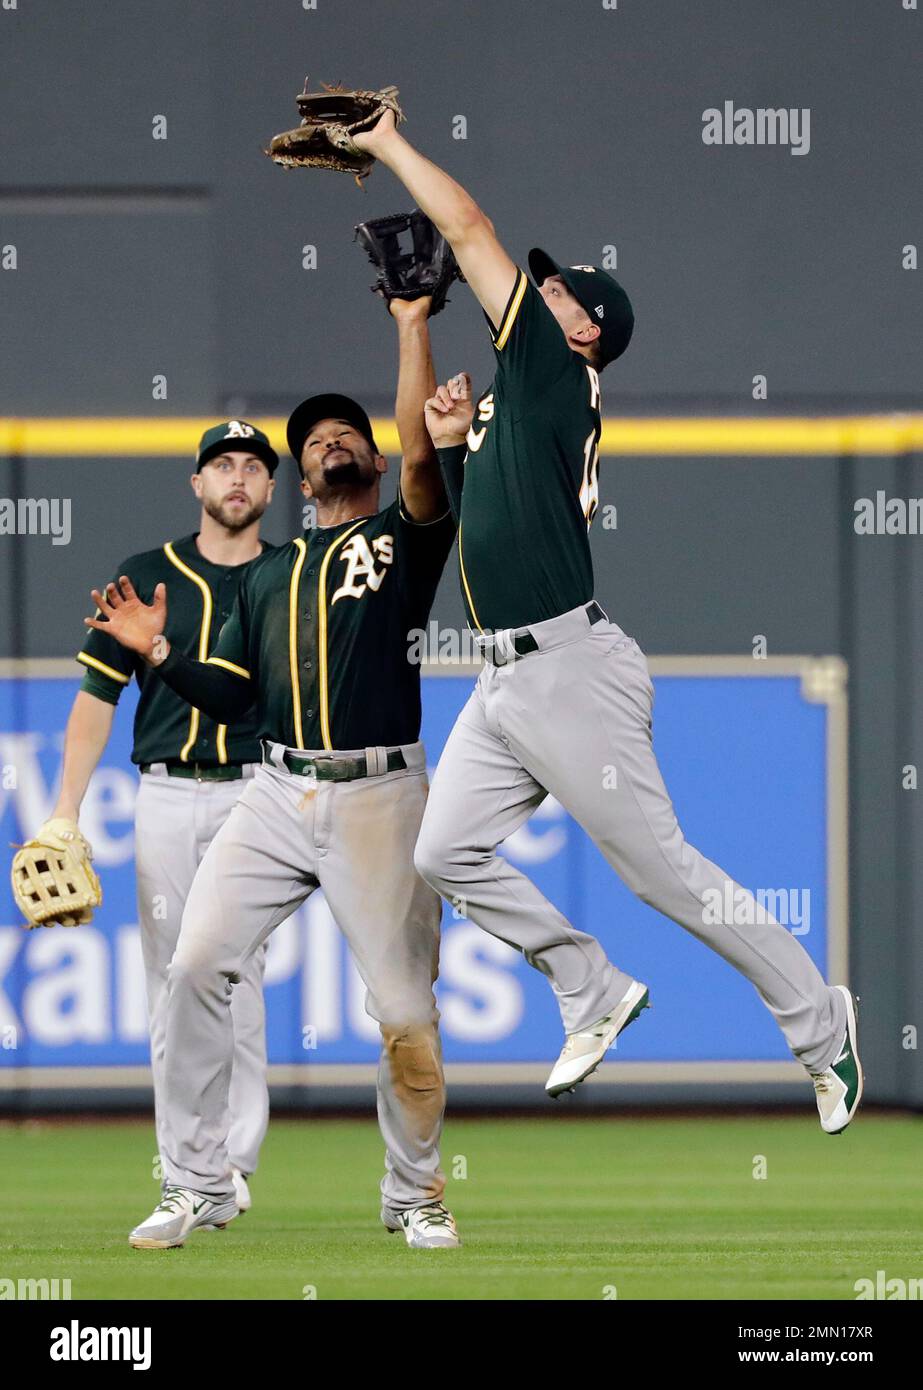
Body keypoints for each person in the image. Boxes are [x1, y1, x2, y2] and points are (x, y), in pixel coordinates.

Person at [349, 111, 863, 1136]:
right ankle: (588, 985)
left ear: (581, 331)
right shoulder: (515, 406)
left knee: (661, 872)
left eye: (554, 293)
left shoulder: (549, 367)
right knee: (444, 852)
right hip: (503, 681)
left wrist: (387, 144)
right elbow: (459, 512)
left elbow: (469, 226)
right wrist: (448, 438)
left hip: (568, 669)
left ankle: (820, 1024)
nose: (533, 292)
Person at [85, 297, 465, 1249]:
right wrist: (162, 653)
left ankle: (415, 1191)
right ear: (301, 475)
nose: (333, 442)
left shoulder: (403, 538)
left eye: (351, 434)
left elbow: (425, 457)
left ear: (375, 465)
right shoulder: (267, 571)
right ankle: (196, 1182)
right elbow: (236, 699)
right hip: (273, 789)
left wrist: (410, 323)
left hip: (379, 795)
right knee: (192, 968)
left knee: (405, 1016)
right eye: (316, 439)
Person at [66, 422, 278, 1213]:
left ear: (267, 488)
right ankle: (184, 1165)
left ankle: (229, 1168)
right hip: (163, 792)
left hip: (256, 789)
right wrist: (63, 814)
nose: (236, 477)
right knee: (172, 983)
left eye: (252, 467)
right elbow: (96, 699)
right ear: (196, 482)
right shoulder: (144, 574)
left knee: (235, 974)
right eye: (221, 464)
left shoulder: (285, 575)